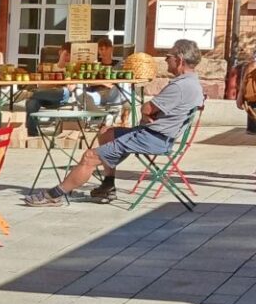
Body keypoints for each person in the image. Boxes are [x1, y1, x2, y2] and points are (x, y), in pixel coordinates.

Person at [23, 39, 204, 207]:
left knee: (90, 157)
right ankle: (108, 186)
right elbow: (152, 110)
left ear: (179, 60)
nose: (166, 60)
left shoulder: (180, 86)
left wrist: (147, 113)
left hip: (152, 137)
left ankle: (54, 195)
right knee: (106, 132)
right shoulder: (193, 83)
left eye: (168, 57)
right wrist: (149, 113)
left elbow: (147, 108)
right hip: (157, 134)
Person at [25, 45, 75, 136]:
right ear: (60, 53)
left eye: (70, 55)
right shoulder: (50, 67)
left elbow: (70, 88)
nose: (68, 57)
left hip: (61, 97)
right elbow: (40, 85)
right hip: (44, 96)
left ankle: (31, 94)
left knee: (62, 91)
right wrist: (55, 83)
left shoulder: (74, 69)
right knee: (32, 102)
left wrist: (61, 81)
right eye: (66, 54)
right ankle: (32, 133)